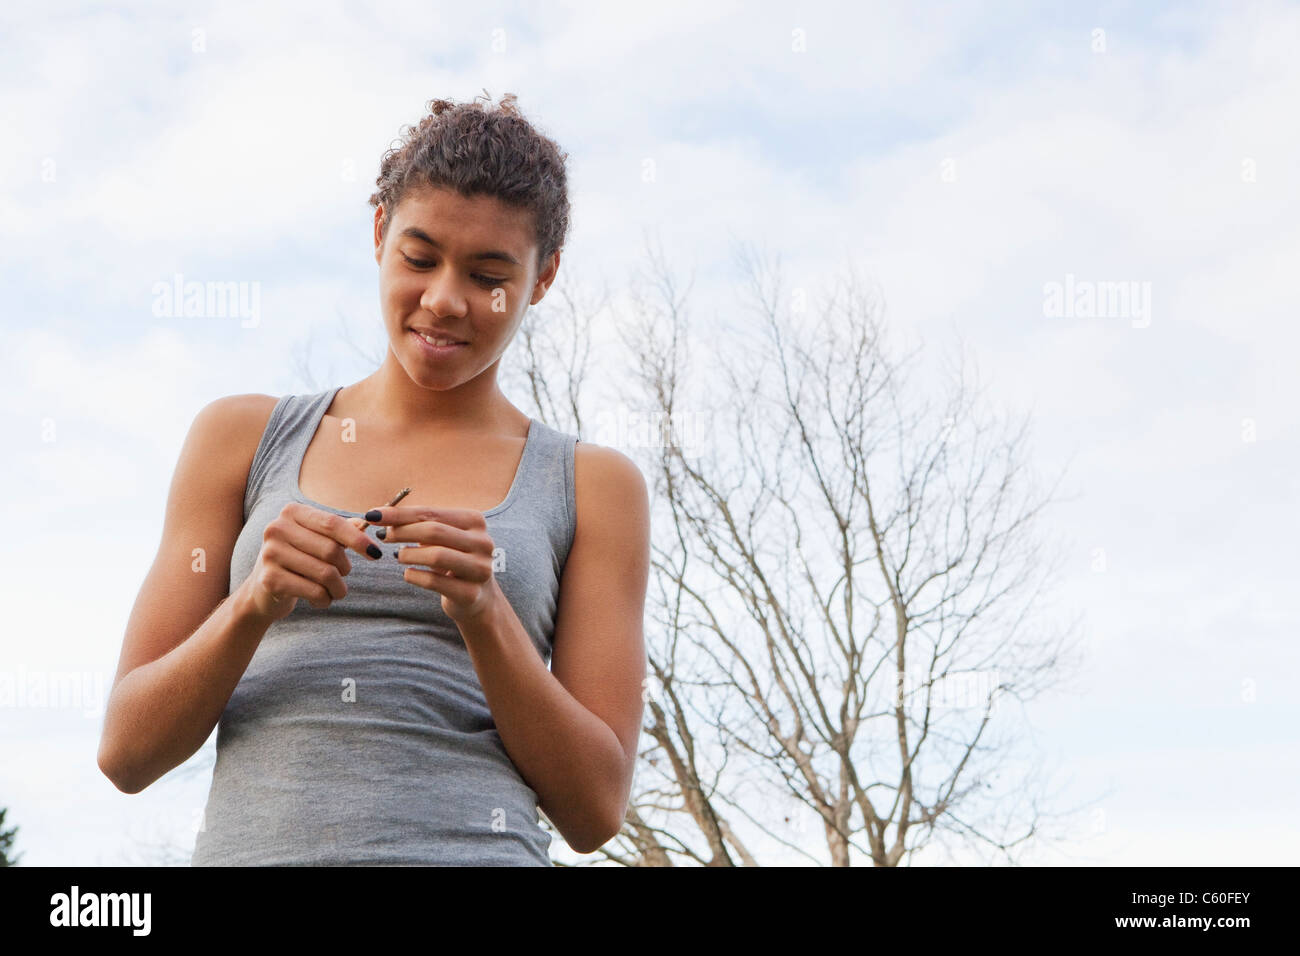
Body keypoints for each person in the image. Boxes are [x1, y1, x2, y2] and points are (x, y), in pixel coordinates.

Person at [96, 93, 650, 865]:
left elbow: (594, 811)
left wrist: (486, 613)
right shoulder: (240, 439)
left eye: (489, 274)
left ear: (543, 276)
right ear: (380, 232)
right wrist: (252, 604)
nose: (445, 300)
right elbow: (127, 752)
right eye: (420, 258)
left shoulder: (593, 485)